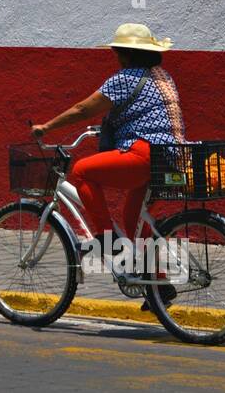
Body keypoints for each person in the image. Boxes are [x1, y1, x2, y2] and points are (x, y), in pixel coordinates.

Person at [30, 23, 185, 241]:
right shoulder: (163, 77)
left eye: (117, 51)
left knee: (82, 171)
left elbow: (83, 109)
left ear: (126, 53)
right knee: (133, 219)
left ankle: (107, 238)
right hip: (168, 157)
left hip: (143, 155)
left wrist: (46, 127)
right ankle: (153, 273)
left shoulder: (124, 79)